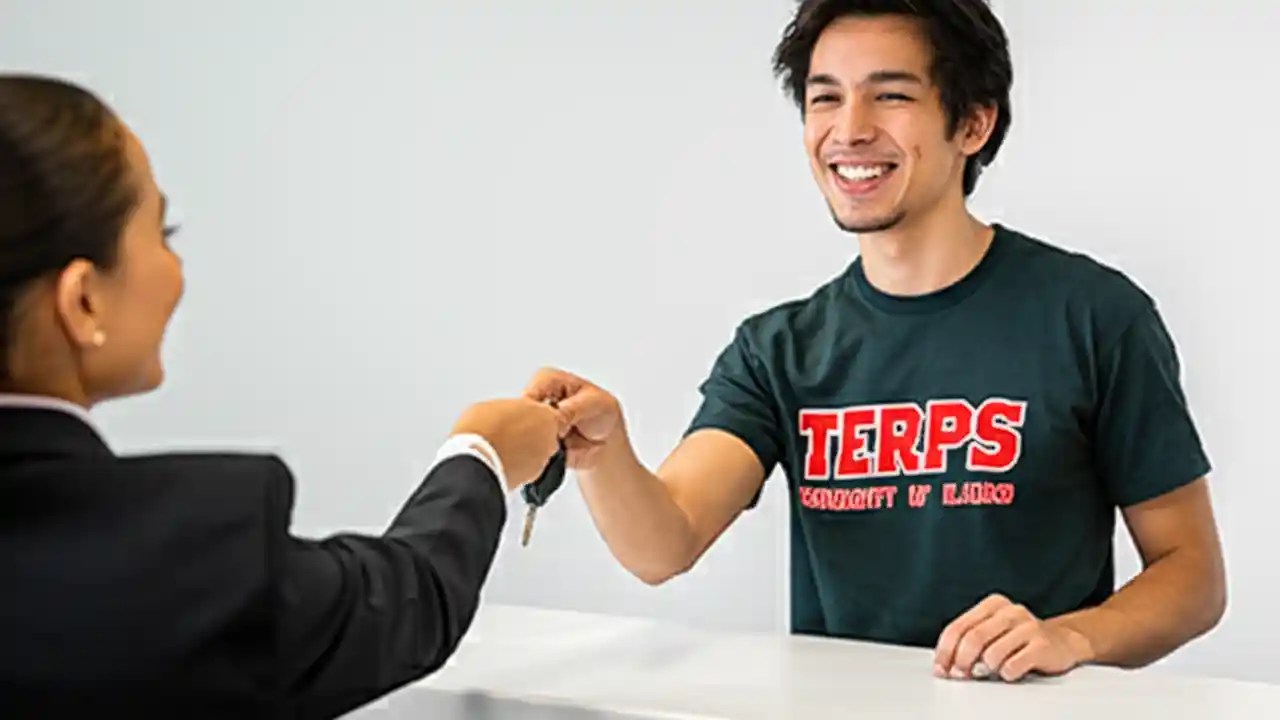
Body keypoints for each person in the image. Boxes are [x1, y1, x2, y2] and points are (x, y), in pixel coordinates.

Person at [527, 0, 1226, 684]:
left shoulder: (1095, 317)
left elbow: (1192, 575)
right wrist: (604, 452)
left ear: (973, 122)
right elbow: (666, 543)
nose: (850, 130)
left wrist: (1070, 637)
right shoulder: (779, 350)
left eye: (890, 96)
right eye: (825, 98)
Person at [0, 74, 564, 717]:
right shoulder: (174, 562)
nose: (177, 269)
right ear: (83, 301)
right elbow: (402, 603)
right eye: (163, 232)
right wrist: (483, 455)